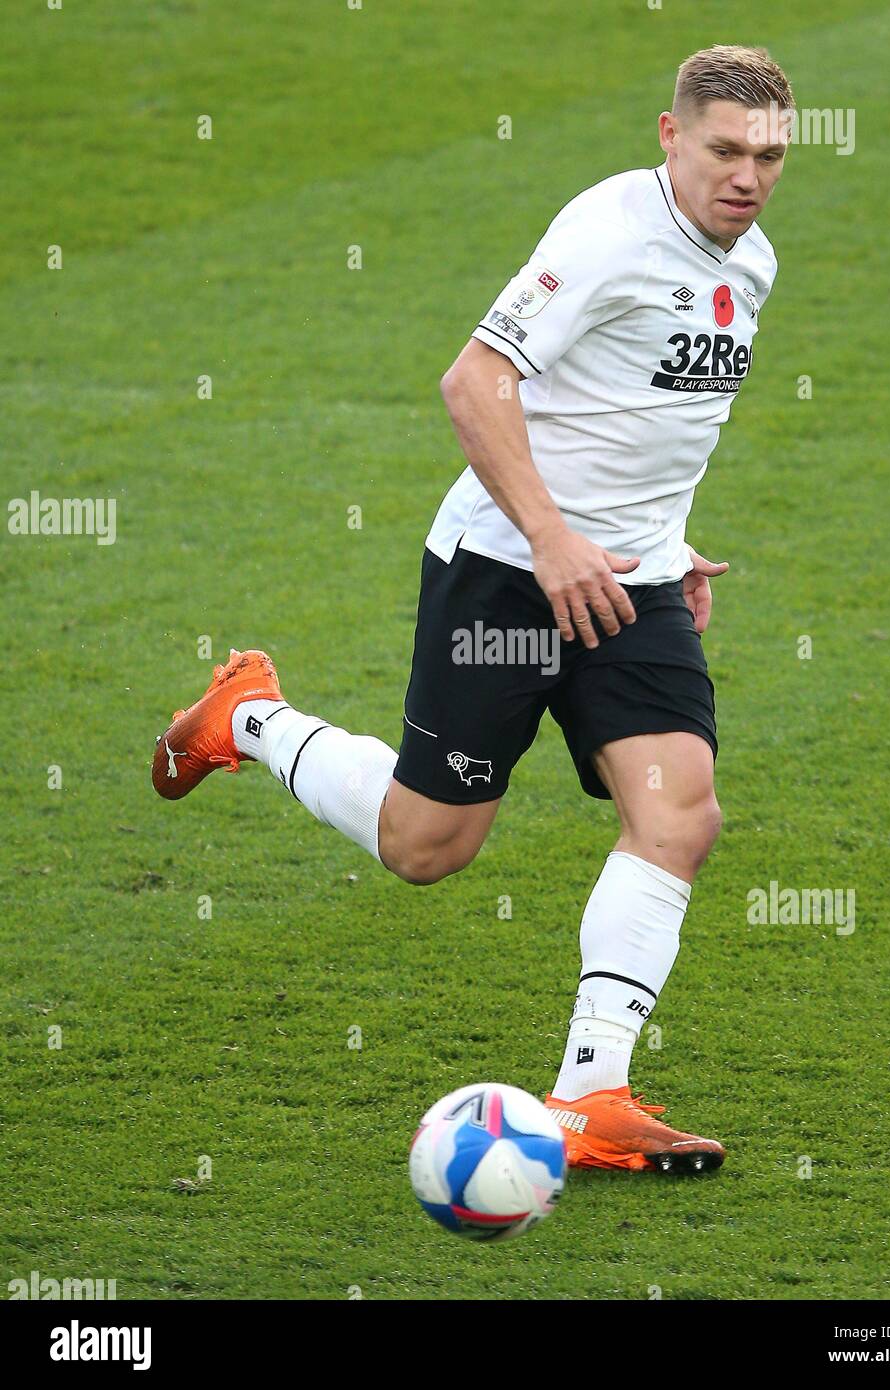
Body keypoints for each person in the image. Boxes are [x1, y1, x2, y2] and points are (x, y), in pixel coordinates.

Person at [153, 44, 794, 1175]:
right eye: (724, 151)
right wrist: (550, 540)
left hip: (627, 588)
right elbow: (473, 382)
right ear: (668, 135)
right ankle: (249, 715)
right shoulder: (607, 233)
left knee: (678, 816)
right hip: (504, 569)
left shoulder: (754, 265)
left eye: (768, 157)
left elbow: (647, 420)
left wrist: (667, 543)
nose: (745, 177)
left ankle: (593, 1093)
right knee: (426, 844)